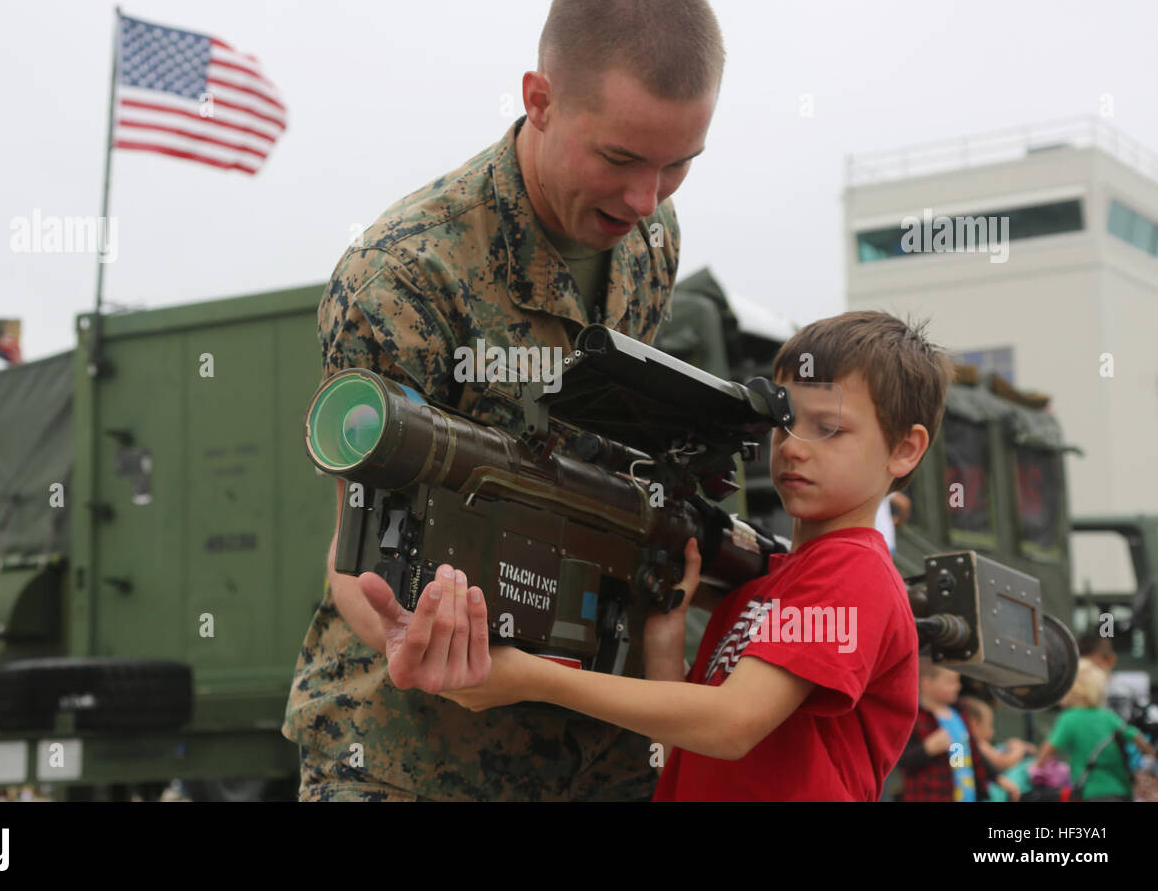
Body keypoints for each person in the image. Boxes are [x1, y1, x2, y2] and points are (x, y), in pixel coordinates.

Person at [281, 0, 726, 800]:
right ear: (540, 100)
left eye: (679, 164)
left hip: (597, 749)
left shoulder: (654, 238)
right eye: (622, 157)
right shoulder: (405, 274)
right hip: (413, 758)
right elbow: (354, 556)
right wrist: (416, 632)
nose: (645, 197)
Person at [373, 310, 956, 800]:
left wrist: (533, 678)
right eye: (785, 426)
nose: (793, 449)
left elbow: (732, 725)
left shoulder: (853, 569)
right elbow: (688, 744)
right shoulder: (770, 584)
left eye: (828, 429)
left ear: (904, 449)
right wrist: (665, 633)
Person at [1031, 658, 1156, 801]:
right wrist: (1151, 754)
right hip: (1122, 791)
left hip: (1093, 792)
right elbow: (1136, 736)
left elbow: (1048, 750)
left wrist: (1036, 765)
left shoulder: (1070, 718)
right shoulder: (1108, 716)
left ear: (1073, 688)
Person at [898, 663, 1020, 801]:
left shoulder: (959, 714)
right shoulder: (914, 718)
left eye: (957, 681)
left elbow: (974, 752)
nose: (958, 686)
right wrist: (928, 749)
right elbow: (902, 760)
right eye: (950, 682)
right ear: (926, 683)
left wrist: (998, 778)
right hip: (931, 795)